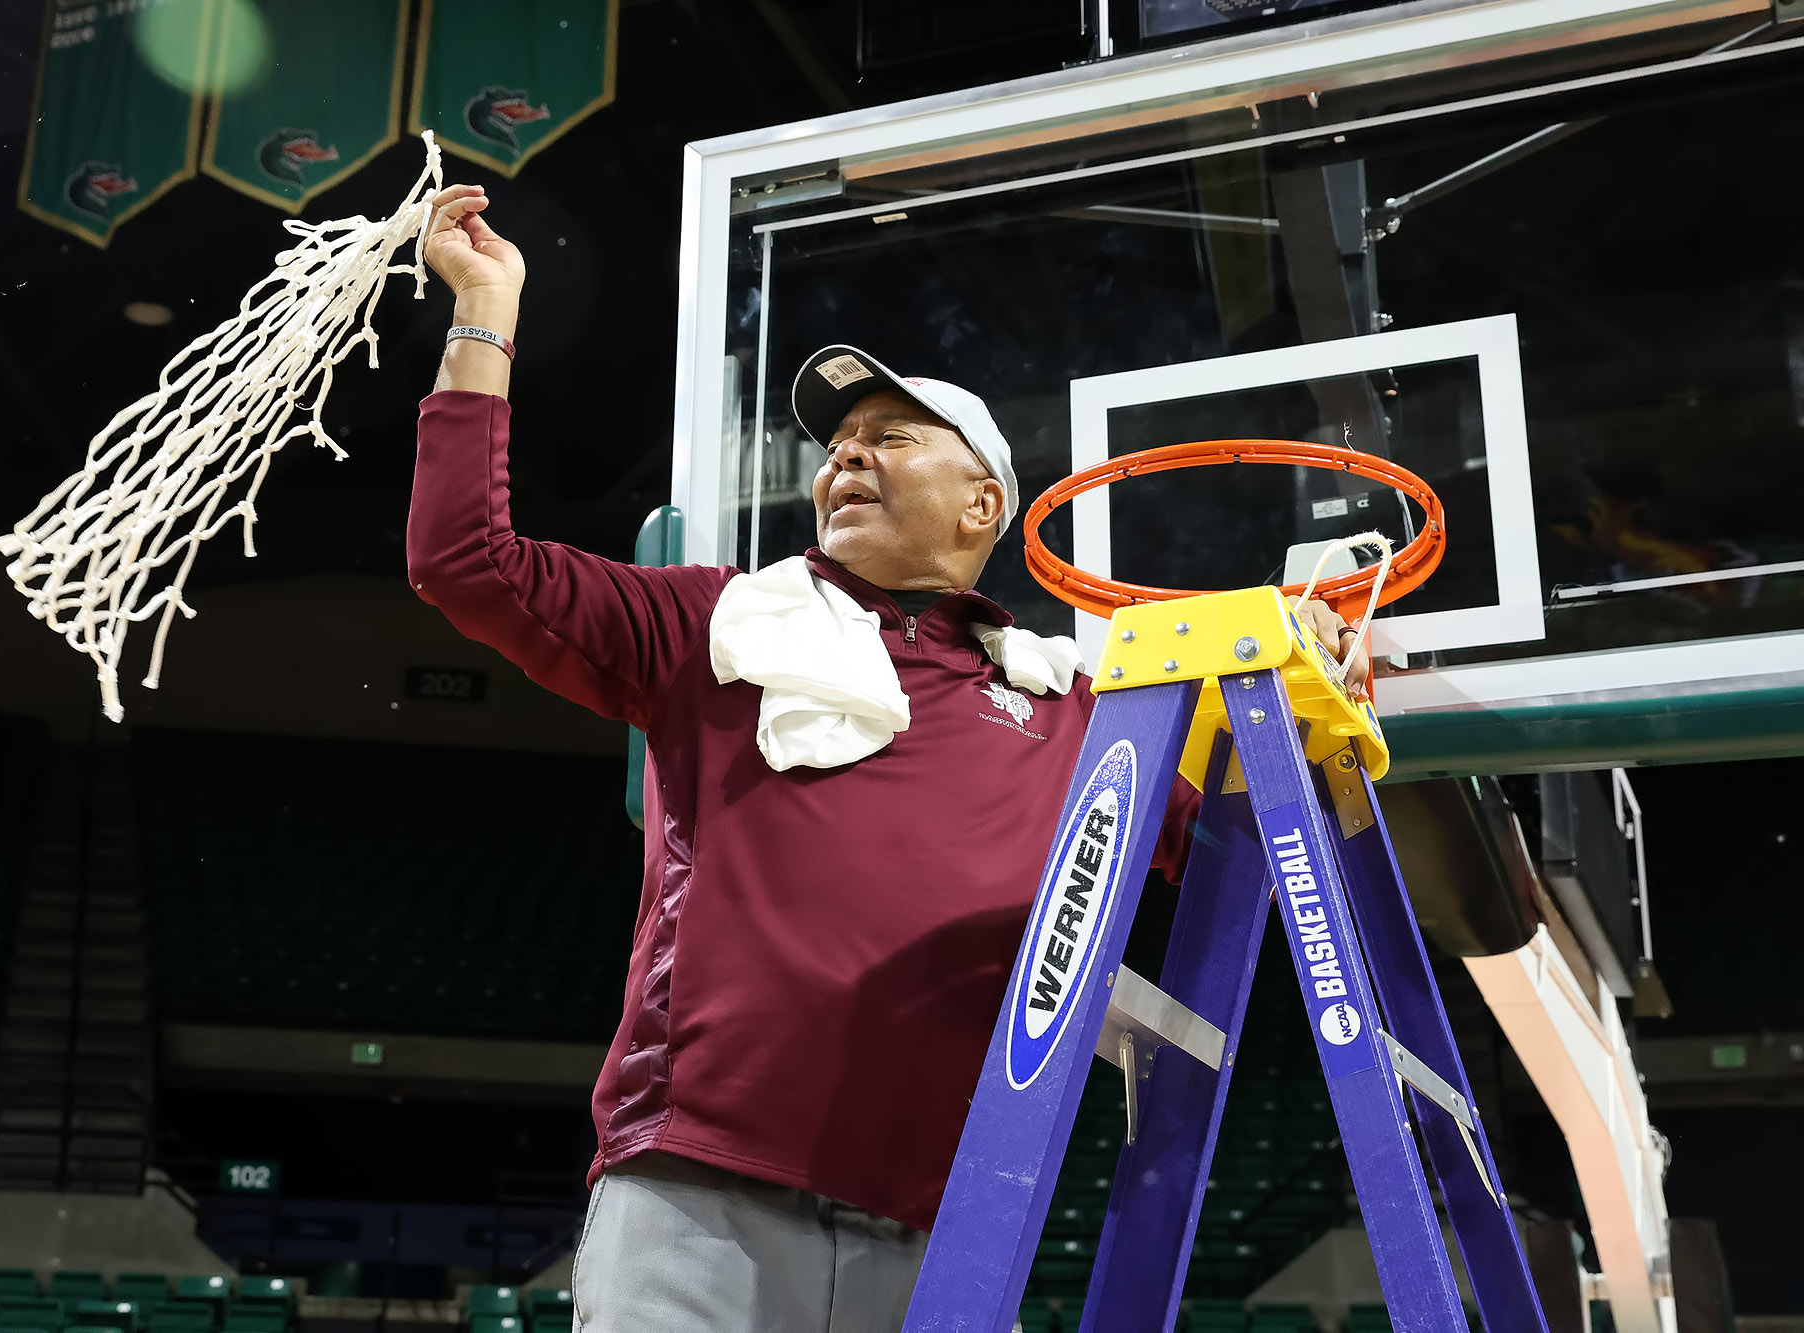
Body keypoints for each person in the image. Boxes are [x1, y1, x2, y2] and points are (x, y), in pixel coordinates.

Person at [406, 185, 1367, 1332]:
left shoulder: (1075, 708)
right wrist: (483, 311)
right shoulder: (714, 624)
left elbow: (1250, 851)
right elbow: (462, 559)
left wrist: (1310, 690)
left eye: (889, 437)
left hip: (950, 1224)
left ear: (982, 500)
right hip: (701, 1187)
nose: (843, 460)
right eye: (837, 447)